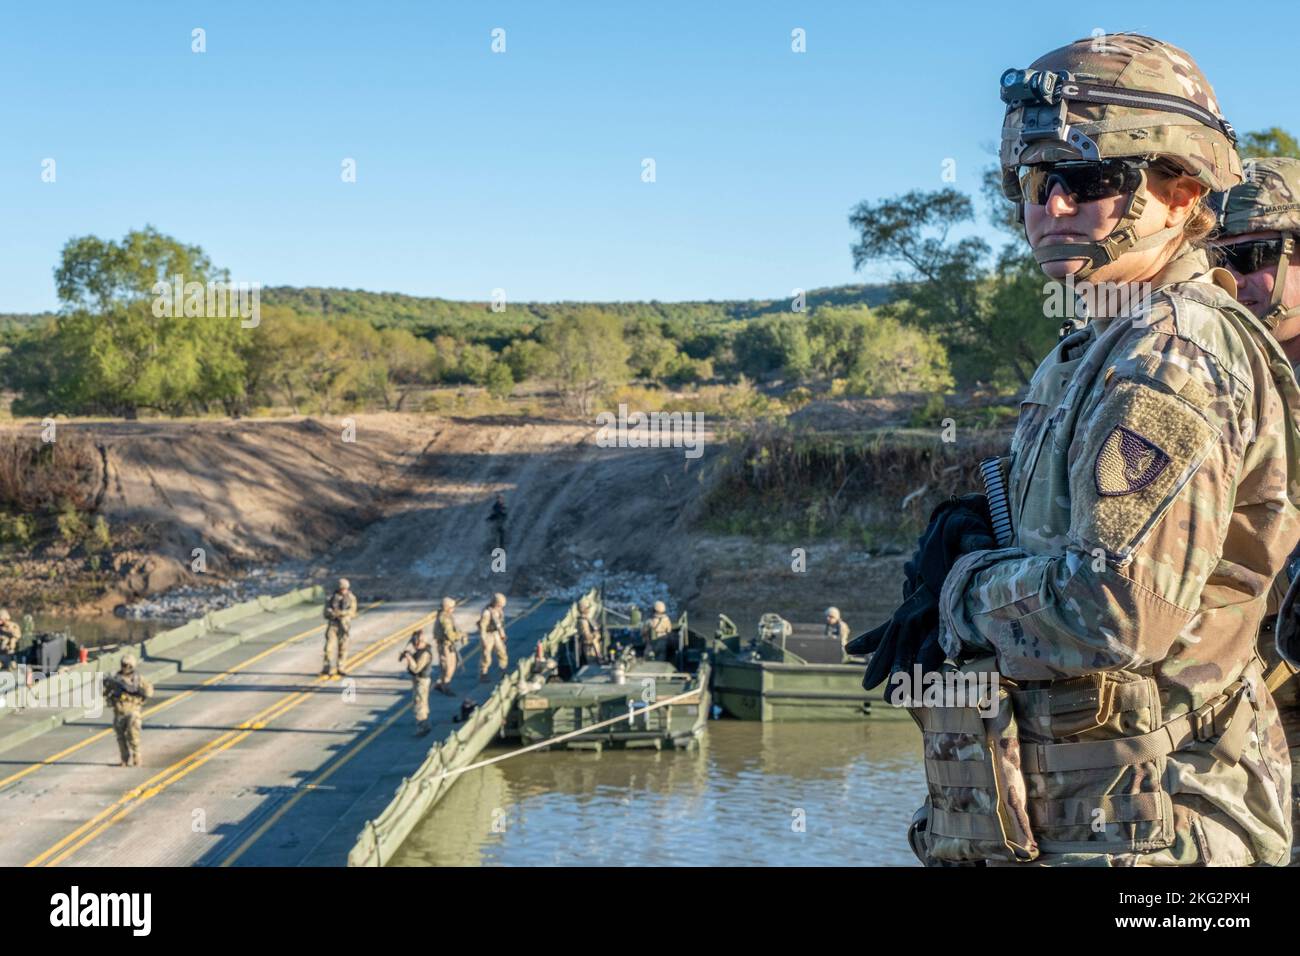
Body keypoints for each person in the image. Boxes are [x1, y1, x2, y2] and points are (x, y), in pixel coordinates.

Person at [874, 33, 1298, 867]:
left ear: (1182, 191)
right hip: (1079, 819)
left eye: (1092, 178)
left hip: (1158, 828)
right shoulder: (1091, 348)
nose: (1054, 205)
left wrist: (962, 592)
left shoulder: (1173, 348)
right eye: (1037, 180)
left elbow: (1117, 609)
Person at [1211, 156, 1300, 861]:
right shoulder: (1210, 370)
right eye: (1215, 257)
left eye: (1250, 255)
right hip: (1235, 712)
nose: (1229, 276)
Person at [105, 653, 154, 767]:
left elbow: (149, 691)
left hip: (133, 711)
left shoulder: (138, 679)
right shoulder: (116, 679)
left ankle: (137, 758)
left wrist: (140, 692)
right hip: (119, 710)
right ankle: (124, 759)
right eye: (124, 665)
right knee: (120, 737)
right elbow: (106, 692)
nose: (125, 667)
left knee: (133, 736)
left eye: (128, 665)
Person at [399, 629, 434, 737]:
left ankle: (422, 726)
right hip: (419, 680)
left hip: (422, 681)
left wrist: (409, 658)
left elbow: (416, 669)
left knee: (419, 704)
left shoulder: (425, 654)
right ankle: (425, 725)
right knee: (422, 702)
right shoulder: (421, 652)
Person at [322, 578, 358, 677]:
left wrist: (343, 613)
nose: (343, 590)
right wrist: (332, 613)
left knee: (343, 647)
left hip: (344, 625)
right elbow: (325, 613)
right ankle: (327, 667)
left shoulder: (351, 598)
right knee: (329, 647)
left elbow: (353, 612)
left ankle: (341, 667)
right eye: (342, 588)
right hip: (333, 624)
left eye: (345, 588)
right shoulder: (331, 598)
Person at [432, 596, 462, 696]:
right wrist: (460, 635)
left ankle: (441, 683)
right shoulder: (445, 618)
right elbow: (450, 635)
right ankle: (445, 686)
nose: (453, 609)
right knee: (448, 668)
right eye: (452, 607)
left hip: (447, 645)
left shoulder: (446, 616)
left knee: (449, 666)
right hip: (445, 646)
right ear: (447, 607)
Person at [478, 592, 509, 683]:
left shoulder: (498, 611)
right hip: (488, 635)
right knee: (486, 655)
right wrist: (483, 639)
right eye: (500, 605)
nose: (501, 607)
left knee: (502, 652)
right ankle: (483, 673)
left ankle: (503, 670)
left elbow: (499, 624)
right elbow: (483, 627)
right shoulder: (487, 612)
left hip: (496, 634)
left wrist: (502, 634)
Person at [576, 598, 602, 665]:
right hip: (590, 648)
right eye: (587, 608)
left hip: (594, 648)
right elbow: (587, 636)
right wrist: (596, 635)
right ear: (583, 609)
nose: (588, 609)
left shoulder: (587, 619)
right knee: (592, 665)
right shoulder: (582, 621)